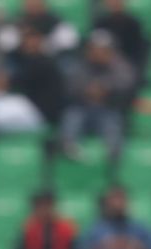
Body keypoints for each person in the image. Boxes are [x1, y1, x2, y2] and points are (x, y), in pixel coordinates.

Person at [59, 30, 136, 160]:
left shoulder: (119, 64)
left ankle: (112, 158)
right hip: (83, 106)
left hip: (108, 107)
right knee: (72, 117)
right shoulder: (81, 64)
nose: (97, 53)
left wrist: (107, 88)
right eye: (94, 49)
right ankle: (69, 147)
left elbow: (127, 83)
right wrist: (86, 90)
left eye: (102, 49)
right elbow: (70, 86)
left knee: (112, 124)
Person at [6, 26, 67, 128]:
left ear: (40, 42)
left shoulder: (44, 62)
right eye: (27, 41)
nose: (30, 44)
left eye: (33, 41)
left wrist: (5, 81)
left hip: (40, 112)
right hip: (30, 109)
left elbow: (18, 81)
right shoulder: (22, 61)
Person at [89, 0, 151, 83]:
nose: (114, 3)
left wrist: (115, 58)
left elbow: (137, 50)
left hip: (125, 63)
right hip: (101, 63)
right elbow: (94, 46)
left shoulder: (133, 24)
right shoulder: (100, 23)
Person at [0, 0, 79, 57]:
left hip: (51, 59)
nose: (33, 4)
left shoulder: (54, 21)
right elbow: (4, 43)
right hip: (22, 59)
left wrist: (44, 45)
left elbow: (70, 41)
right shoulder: (18, 21)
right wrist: (23, 43)